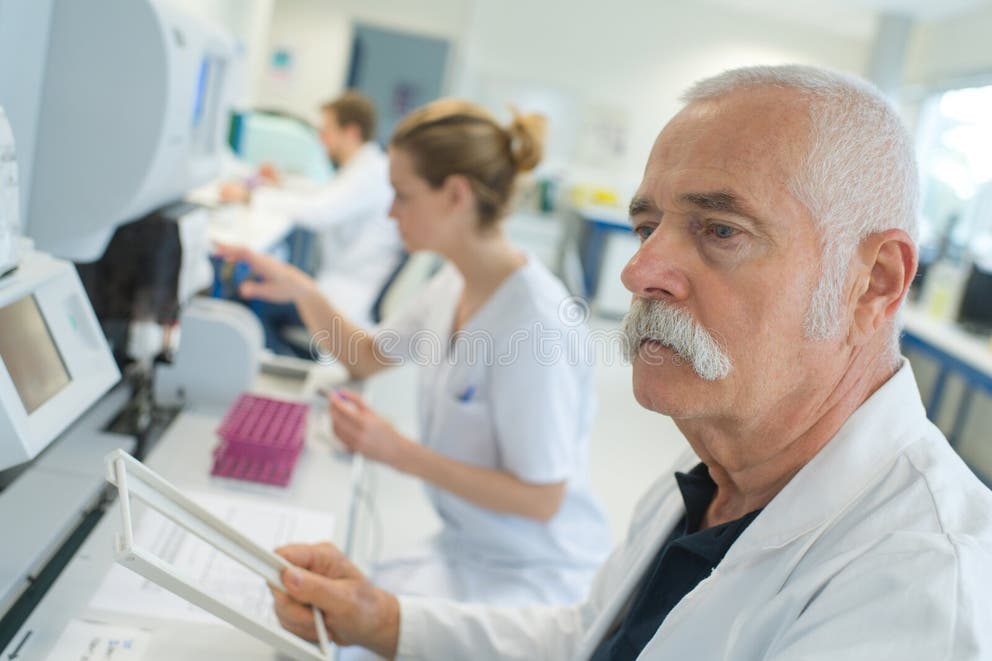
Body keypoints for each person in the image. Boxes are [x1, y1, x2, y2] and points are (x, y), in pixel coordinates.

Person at [264, 65, 992, 660]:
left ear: (875, 282)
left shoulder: (915, 592)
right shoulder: (715, 467)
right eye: (647, 227)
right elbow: (588, 640)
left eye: (720, 229)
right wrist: (385, 621)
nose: (638, 270)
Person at [216, 99, 611, 608]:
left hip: (533, 577)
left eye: (402, 195)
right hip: (469, 547)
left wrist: (396, 451)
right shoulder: (453, 283)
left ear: (456, 195)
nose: (390, 212)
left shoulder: (534, 324)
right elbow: (363, 357)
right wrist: (300, 289)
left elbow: (542, 498)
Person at [221, 91, 403, 338]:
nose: (321, 139)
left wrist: (250, 197)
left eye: (327, 131)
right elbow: (323, 194)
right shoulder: (365, 166)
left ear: (351, 132)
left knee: (245, 297)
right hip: (336, 285)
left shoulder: (370, 174)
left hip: (343, 299)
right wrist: (279, 184)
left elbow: (320, 212)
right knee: (254, 288)